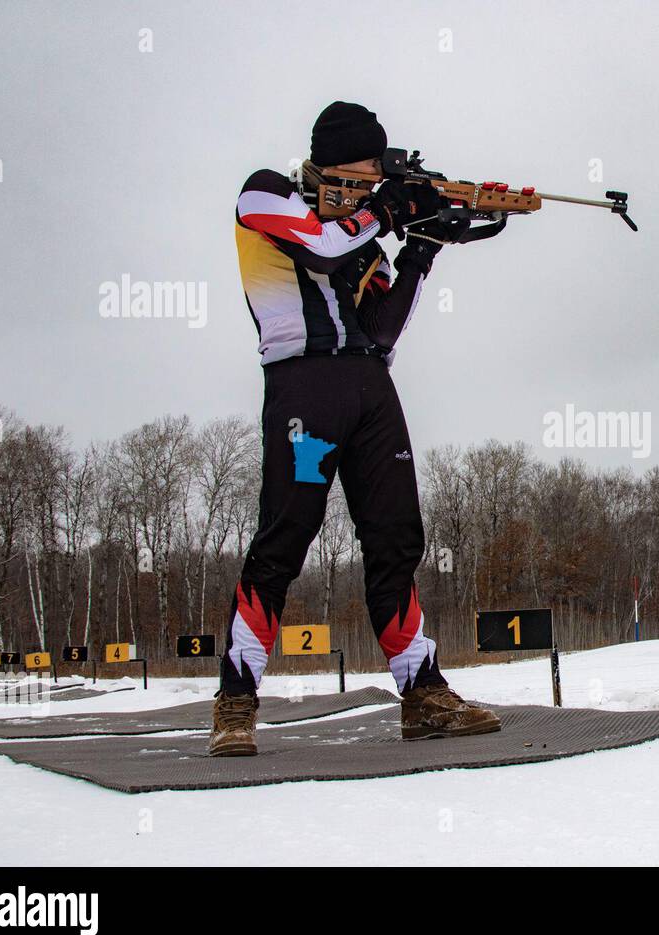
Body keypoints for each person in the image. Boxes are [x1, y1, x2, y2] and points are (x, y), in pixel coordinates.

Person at [209, 101, 500, 756]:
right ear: (323, 169)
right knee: (286, 535)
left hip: (371, 388)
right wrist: (391, 209)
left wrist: (423, 246)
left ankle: (422, 693)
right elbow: (318, 242)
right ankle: (235, 699)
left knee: (397, 537)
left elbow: (383, 328)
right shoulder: (267, 193)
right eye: (356, 180)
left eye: (372, 183)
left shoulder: (361, 233)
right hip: (303, 390)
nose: (363, 195)